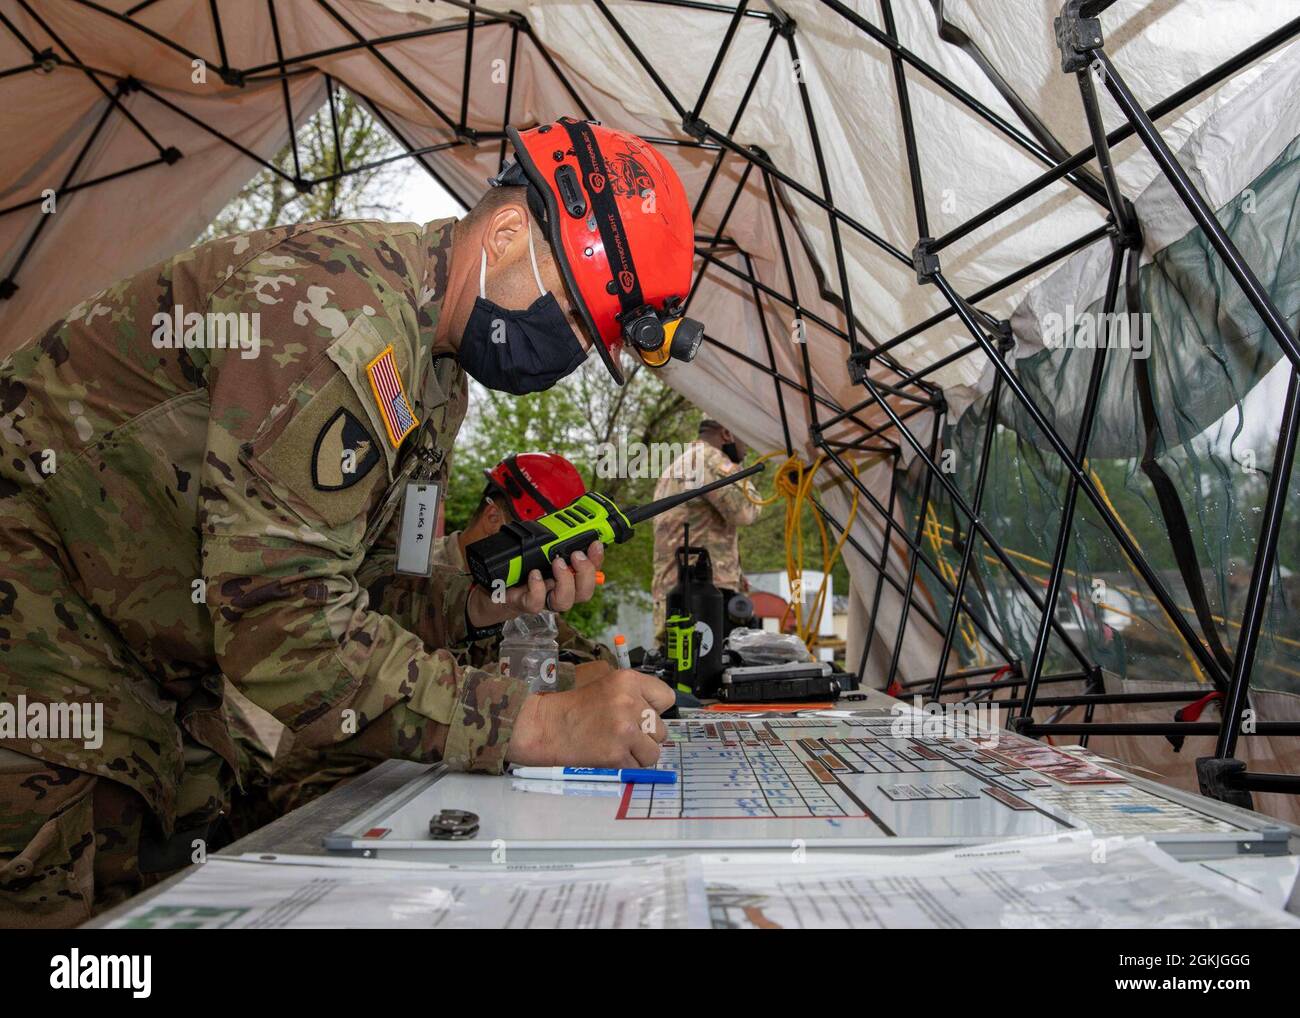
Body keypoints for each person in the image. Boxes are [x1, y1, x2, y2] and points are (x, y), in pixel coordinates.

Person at [0, 117, 696, 925]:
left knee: (172, 897)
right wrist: (538, 723)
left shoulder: (436, 382)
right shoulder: (335, 313)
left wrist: (479, 605)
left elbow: (364, 593)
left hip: (154, 655)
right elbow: (283, 623)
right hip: (42, 622)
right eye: (576, 320)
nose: (568, 352)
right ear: (507, 234)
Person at [268, 452, 618, 812]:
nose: (548, 562)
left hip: (435, 784)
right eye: (544, 542)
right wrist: (556, 684)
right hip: (338, 792)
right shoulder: (409, 579)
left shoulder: (519, 591)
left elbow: (597, 664)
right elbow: (419, 688)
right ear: (494, 518)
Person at [651, 419, 762, 635]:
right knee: (711, 665)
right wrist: (741, 474)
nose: (747, 450)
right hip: (703, 596)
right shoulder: (710, 460)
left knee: (673, 664)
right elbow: (746, 510)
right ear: (727, 433)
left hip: (671, 592)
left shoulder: (676, 466)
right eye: (744, 439)